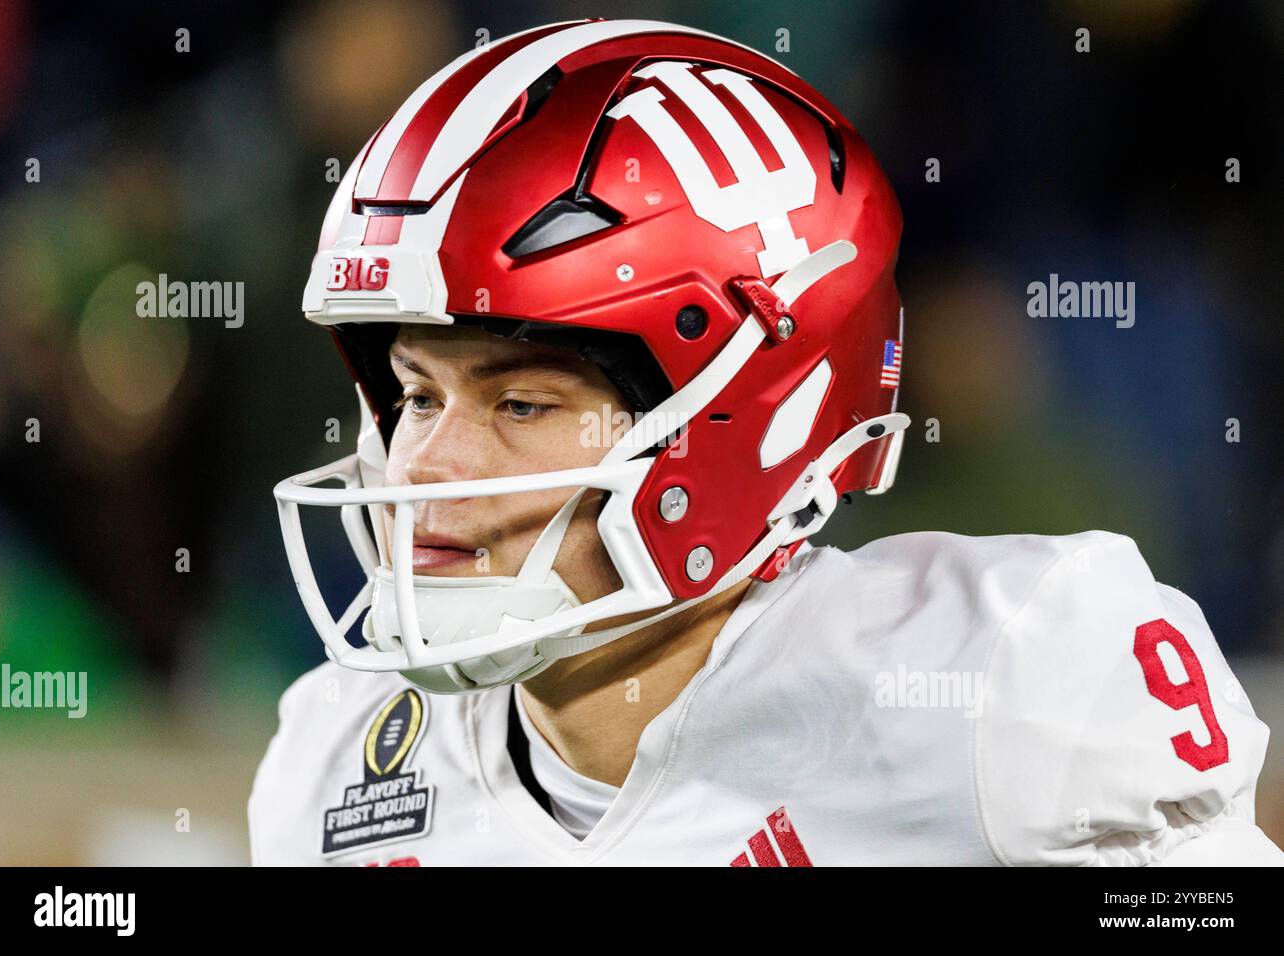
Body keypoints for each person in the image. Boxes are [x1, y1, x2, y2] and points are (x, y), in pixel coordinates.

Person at [251, 18, 1281, 865]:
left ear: (731, 428)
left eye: (520, 404)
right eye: (416, 393)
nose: (423, 462)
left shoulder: (1000, 683)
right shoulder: (336, 762)